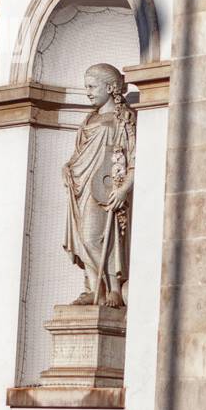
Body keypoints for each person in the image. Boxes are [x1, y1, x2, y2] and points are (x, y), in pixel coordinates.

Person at [63, 63, 135, 308]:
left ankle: (113, 287)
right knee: (83, 238)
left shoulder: (122, 117)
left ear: (110, 87)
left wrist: (123, 188)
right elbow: (78, 153)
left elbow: (134, 157)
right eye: (86, 87)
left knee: (96, 236)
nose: (88, 92)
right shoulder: (88, 119)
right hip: (81, 185)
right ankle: (95, 288)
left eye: (92, 86)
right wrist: (68, 167)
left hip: (105, 186)